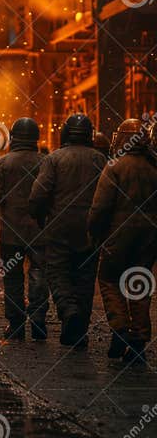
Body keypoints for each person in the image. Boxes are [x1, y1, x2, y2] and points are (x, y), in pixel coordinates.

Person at [30, 113, 106, 348]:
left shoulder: (54, 159)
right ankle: (79, 331)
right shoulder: (101, 160)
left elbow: (37, 196)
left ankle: (68, 310)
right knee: (84, 278)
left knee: (58, 274)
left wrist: (42, 219)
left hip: (59, 228)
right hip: (90, 229)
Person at [88, 119, 157, 363]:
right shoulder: (153, 166)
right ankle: (138, 341)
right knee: (139, 282)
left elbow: (99, 207)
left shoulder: (114, 166)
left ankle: (119, 330)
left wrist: (94, 233)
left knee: (109, 279)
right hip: (148, 237)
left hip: (118, 236)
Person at [0, 118, 48, 340]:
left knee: (12, 277)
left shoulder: (2, 164)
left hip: (11, 232)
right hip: (40, 230)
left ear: (13, 137)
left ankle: (16, 324)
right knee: (39, 274)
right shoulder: (46, 162)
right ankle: (38, 320)